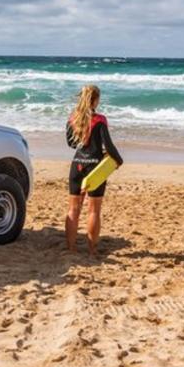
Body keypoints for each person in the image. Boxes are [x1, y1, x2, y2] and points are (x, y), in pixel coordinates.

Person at [65, 85, 125, 256]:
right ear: (95, 100)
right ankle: (92, 249)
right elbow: (109, 146)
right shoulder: (100, 120)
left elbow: (70, 144)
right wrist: (118, 160)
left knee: (73, 209)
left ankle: (71, 248)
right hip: (95, 167)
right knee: (94, 210)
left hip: (77, 165)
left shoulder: (73, 119)